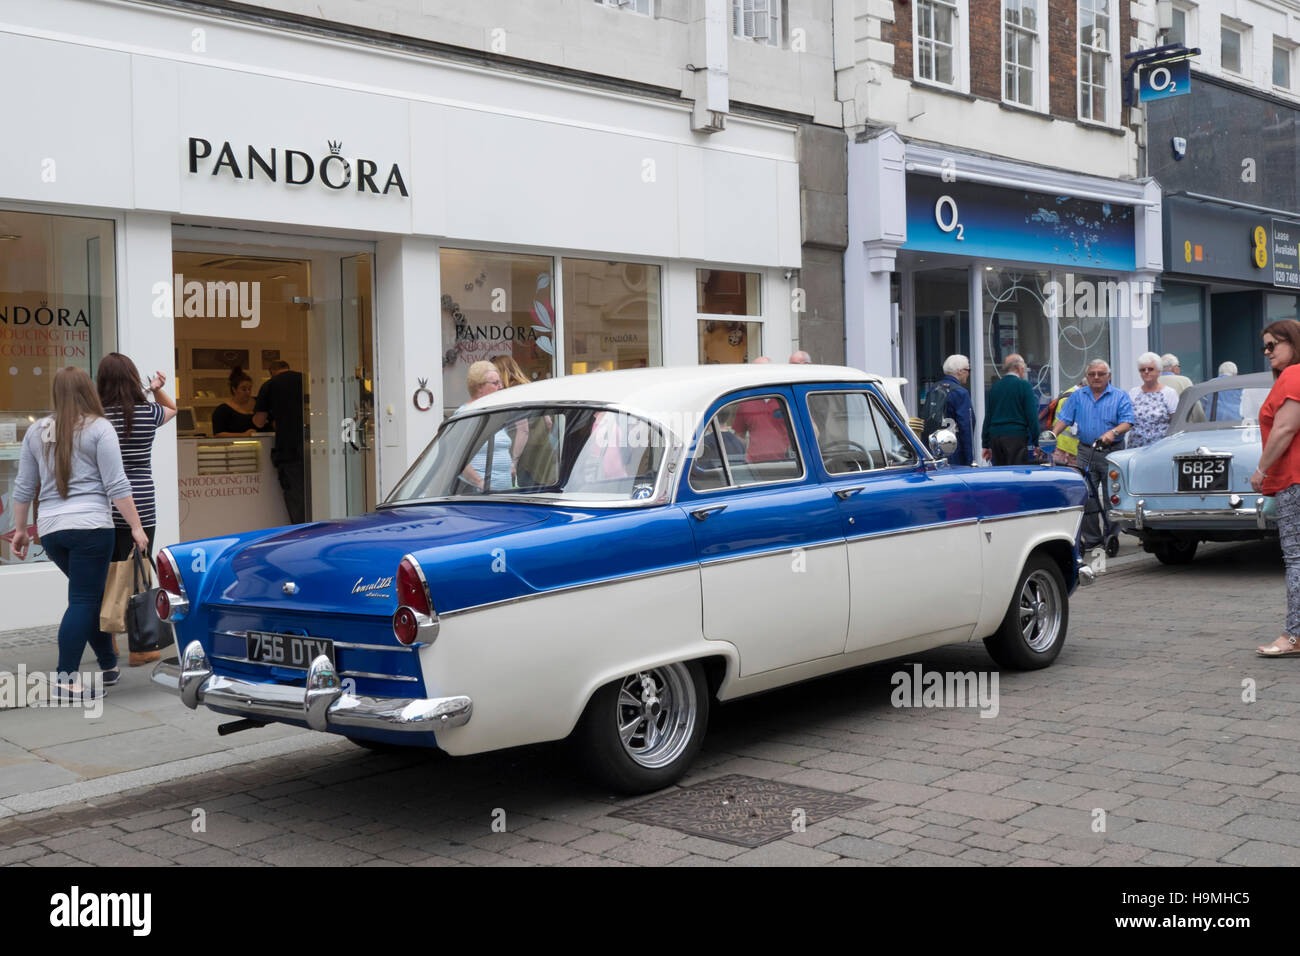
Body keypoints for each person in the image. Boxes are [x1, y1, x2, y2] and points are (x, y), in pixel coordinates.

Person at [10, 367, 149, 697]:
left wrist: (20, 530)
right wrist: (136, 526)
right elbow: (116, 484)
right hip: (90, 528)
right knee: (85, 599)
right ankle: (65, 678)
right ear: (89, 390)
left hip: (53, 532)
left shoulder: (38, 430)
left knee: (90, 596)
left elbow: (24, 486)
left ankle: (108, 663)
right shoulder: (100, 428)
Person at [96, 353, 177, 666]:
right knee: (138, 570)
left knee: (108, 572)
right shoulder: (147, 413)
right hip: (142, 501)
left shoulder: (97, 417)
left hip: (106, 503)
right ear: (132, 378)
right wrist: (154, 388)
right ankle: (142, 645)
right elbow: (172, 408)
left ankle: (109, 641)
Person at [1252, 320, 1300, 657]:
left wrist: (1261, 470)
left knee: (1296, 560)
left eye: (1274, 345)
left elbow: (1284, 430)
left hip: (1293, 480)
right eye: (1265, 347)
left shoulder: (1293, 375)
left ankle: (1294, 637)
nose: (1267, 352)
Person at [252, 361, 307, 525]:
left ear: (271, 371)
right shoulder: (306, 380)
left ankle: (302, 533)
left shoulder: (270, 385)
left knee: (296, 495)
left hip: (288, 447)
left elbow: (259, 421)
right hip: (314, 445)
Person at [1051, 360, 1134, 450]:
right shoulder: (1077, 395)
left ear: (1109, 376)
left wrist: (1113, 432)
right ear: (1086, 377)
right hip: (1085, 452)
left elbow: (1127, 422)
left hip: (1113, 451)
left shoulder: (1121, 396)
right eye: (1092, 374)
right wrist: (1052, 436)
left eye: (1101, 374)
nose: (1096, 377)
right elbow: (1064, 419)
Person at [459, 360, 513, 491]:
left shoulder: (494, 413)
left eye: (500, 382)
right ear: (479, 387)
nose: (501, 386)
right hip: (477, 494)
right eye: (496, 383)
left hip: (502, 493)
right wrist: (480, 483)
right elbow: (457, 459)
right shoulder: (466, 414)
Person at [981, 354, 1039, 466]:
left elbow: (988, 416)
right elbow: (1031, 416)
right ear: (1019, 368)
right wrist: (1037, 442)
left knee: (1000, 474)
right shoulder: (1024, 386)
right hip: (1016, 437)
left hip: (995, 438)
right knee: (1016, 475)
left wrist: (985, 444)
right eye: (1024, 368)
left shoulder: (995, 387)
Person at [1127, 351, 1179, 448]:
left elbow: (1176, 423)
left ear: (1159, 371)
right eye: (1142, 370)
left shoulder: (1169, 393)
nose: (1146, 372)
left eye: (1150, 369)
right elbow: (1127, 421)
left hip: (1160, 449)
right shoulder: (1133, 393)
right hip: (1135, 448)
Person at [936, 355, 974, 467]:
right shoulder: (961, 393)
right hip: (954, 449)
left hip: (936, 449)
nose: (969, 373)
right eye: (968, 370)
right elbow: (967, 426)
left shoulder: (934, 388)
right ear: (960, 371)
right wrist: (969, 459)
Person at [211, 366, 265, 437]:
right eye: (244, 389)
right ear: (234, 389)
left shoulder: (260, 403)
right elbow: (218, 434)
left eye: (249, 388)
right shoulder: (222, 410)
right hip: (237, 446)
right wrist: (243, 435)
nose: (248, 392)